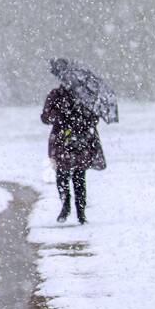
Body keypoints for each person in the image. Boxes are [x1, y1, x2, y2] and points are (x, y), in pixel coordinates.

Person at [41, 58, 106, 224]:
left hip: (71, 140)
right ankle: (72, 208)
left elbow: (46, 117)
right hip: (73, 140)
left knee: (72, 175)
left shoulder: (64, 96)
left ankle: (74, 208)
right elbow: (46, 117)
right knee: (73, 175)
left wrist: (69, 117)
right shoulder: (66, 96)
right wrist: (64, 116)